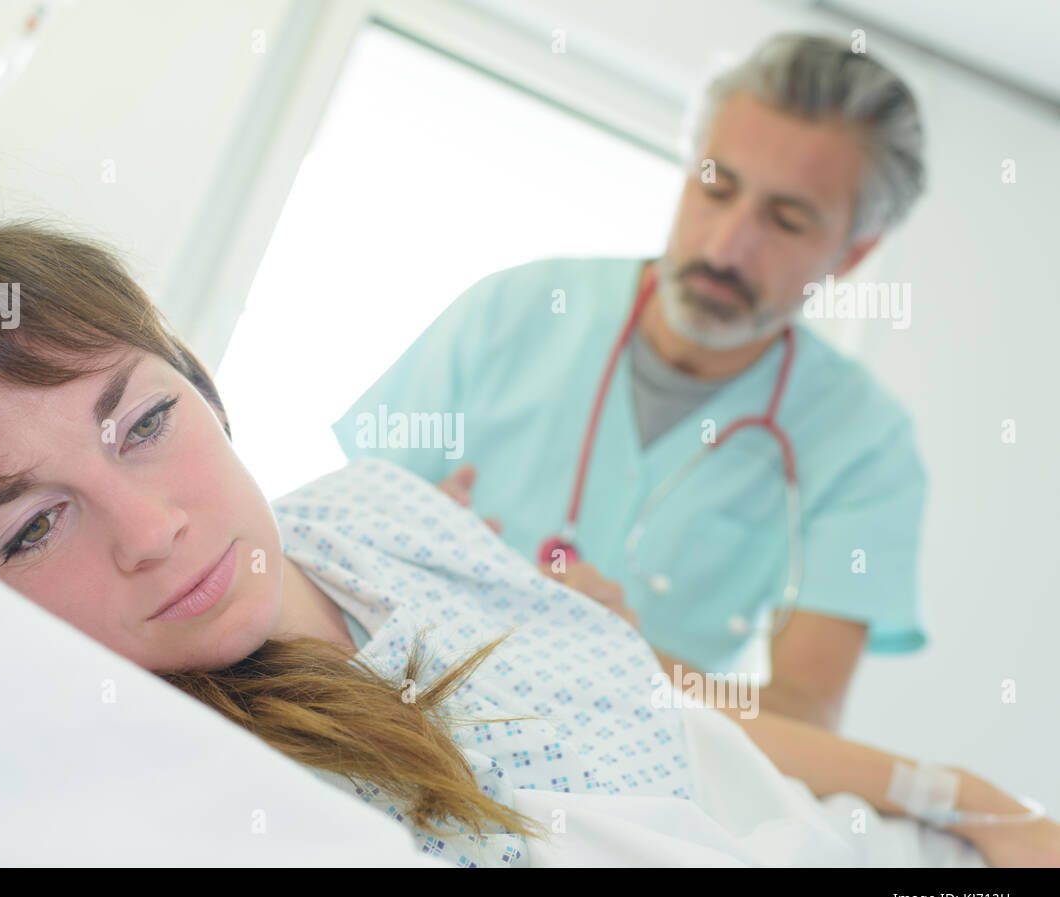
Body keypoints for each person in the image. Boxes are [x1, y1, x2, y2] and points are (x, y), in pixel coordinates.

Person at [0, 163, 1057, 867]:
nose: (151, 530)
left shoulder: (375, 509)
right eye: (30, 527)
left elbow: (662, 697)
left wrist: (965, 796)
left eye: (142, 422)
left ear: (200, 379)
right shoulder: (179, 792)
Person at [332, 33, 931, 732]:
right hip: (398, 715)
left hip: (623, 771)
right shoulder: (513, 313)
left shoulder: (864, 443)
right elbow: (338, 549)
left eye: (787, 220)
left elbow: (805, 715)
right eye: (715, 187)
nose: (724, 247)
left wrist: (619, 656)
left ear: (854, 253)